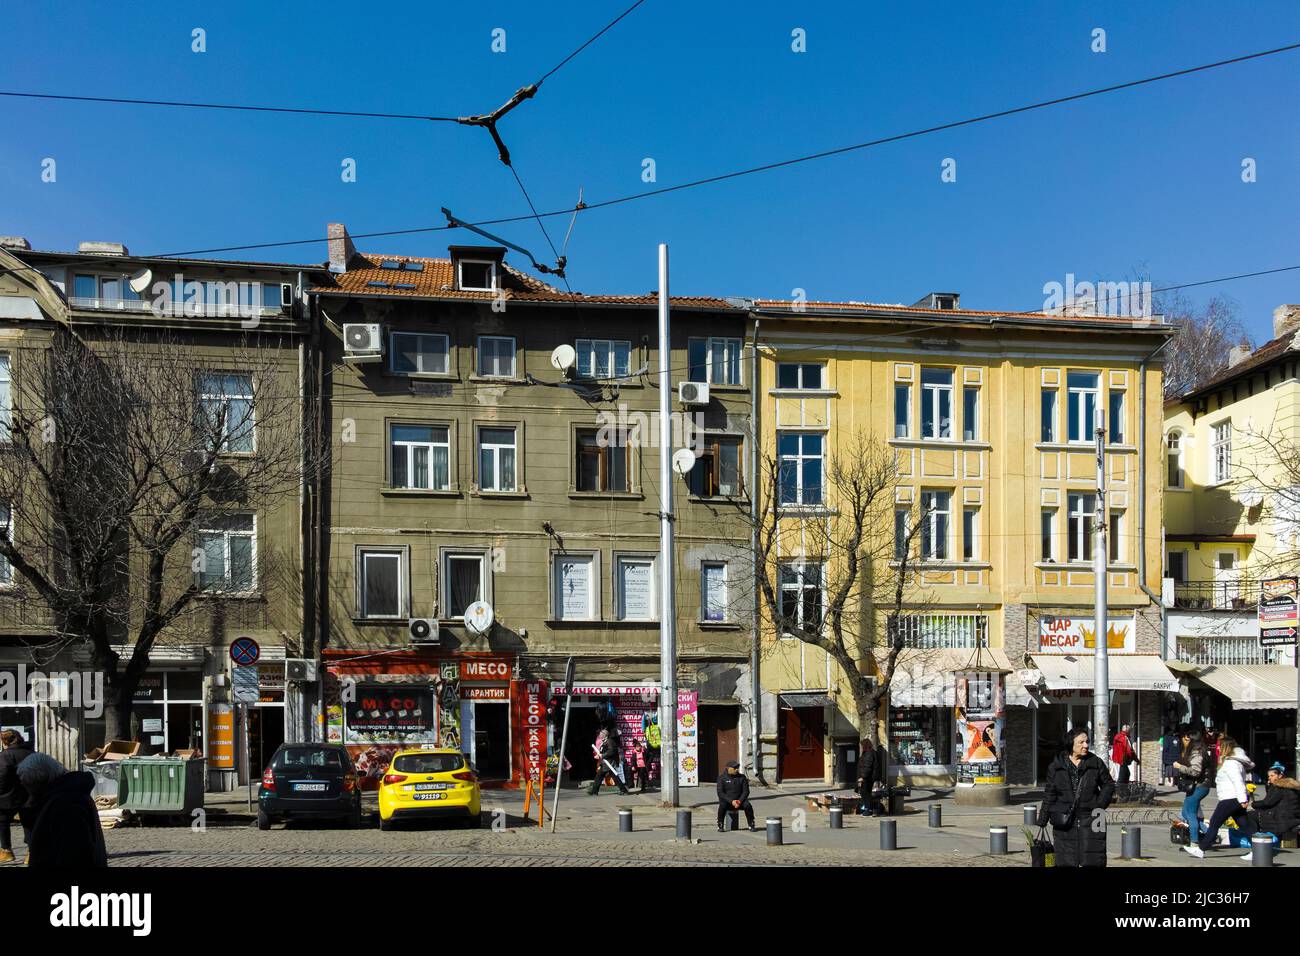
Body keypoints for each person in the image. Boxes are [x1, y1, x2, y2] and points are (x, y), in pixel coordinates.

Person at [1037, 729, 1115, 867]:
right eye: (1081, 742)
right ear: (1070, 744)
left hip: (1093, 818)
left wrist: (1099, 805)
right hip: (1065, 820)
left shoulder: (1095, 763)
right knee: (1065, 860)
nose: (1086, 745)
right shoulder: (1056, 767)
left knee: (1093, 859)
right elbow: (1049, 794)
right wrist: (1043, 818)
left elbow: (1108, 784)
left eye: (1087, 742)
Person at [19, 752, 108, 868]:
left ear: (39, 784)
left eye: (29, 786)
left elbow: (75, 852)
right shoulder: (69, 794)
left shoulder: (65, 802)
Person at [1184, 736, 1254, 858]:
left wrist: (1243, 799)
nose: (1218, 749)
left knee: (1215, 823)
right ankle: (1258, 850)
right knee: (1245, 825)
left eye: (1220, 746)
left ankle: (1201, 849)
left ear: (1226, 748)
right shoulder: (1233, 762)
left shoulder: (1231, 763)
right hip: (1234, 798)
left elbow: (1238, 782)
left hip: (1230, 798)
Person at [0, 730, 34, 864]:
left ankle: (6, 851)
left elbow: (2, 776)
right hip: (30, 795)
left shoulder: (5, 755)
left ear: (5, 742)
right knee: (29, 823)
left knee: (2, 821)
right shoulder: (32, 753)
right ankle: (31, 853)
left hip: (9, 796)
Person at [1172, 725, 1211, 838]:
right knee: (1185, 812)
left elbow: (1195, 771)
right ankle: (1209, 835)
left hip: (1199, 786)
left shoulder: (1197, 752)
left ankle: (1194, 842)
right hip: (1196, 786)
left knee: (1190, 814)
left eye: (1187, 739)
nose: (1185, 741)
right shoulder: (1195, 751)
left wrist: (1180, 767)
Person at [1249, 762, 1300, 845]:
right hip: (1294, 817)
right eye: (1269, 776)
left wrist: (1253, 804)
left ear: (1280, 776)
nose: (1270, 778)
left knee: (1250, 815)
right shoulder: (1294, 786)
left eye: (1272, 776)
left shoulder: (1278, 786)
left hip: (1281, 818)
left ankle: (1256, 840)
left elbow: (1267, 803)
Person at [588, 726, 628, 796]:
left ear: (604, 735)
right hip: (604, 763)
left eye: (601, 734)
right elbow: (602, 751)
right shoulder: (604, 742)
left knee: (612, 777)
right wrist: (599, 756)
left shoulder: (609, 741)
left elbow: (611, 751)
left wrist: (602, 755)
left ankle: (624, 790)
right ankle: (594, 791)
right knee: (599, 777)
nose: (600, 735)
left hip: (609, 763)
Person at [716, 760, 755, 832]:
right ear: (728, 768)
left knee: (748, 805)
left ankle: (751, 824)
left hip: (739, 801)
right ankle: (720, 824)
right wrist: (731, 801)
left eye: (737, 768)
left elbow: (746, 791)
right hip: (728, 802)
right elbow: (720, 793)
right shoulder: (721, 778)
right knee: (722, 805)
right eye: (734, 768)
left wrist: (740, 801)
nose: (736, 769)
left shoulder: (742, 777)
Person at [856, 737, 882, 817]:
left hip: (867, 778)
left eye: (862, 746)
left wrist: (862, 777)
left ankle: (869, 809)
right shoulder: (869, 752)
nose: (861, 747)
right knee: (866, 793)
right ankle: (871, 809)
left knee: (865, 793)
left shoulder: (869, 754)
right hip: (869, 777)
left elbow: (867, 767)